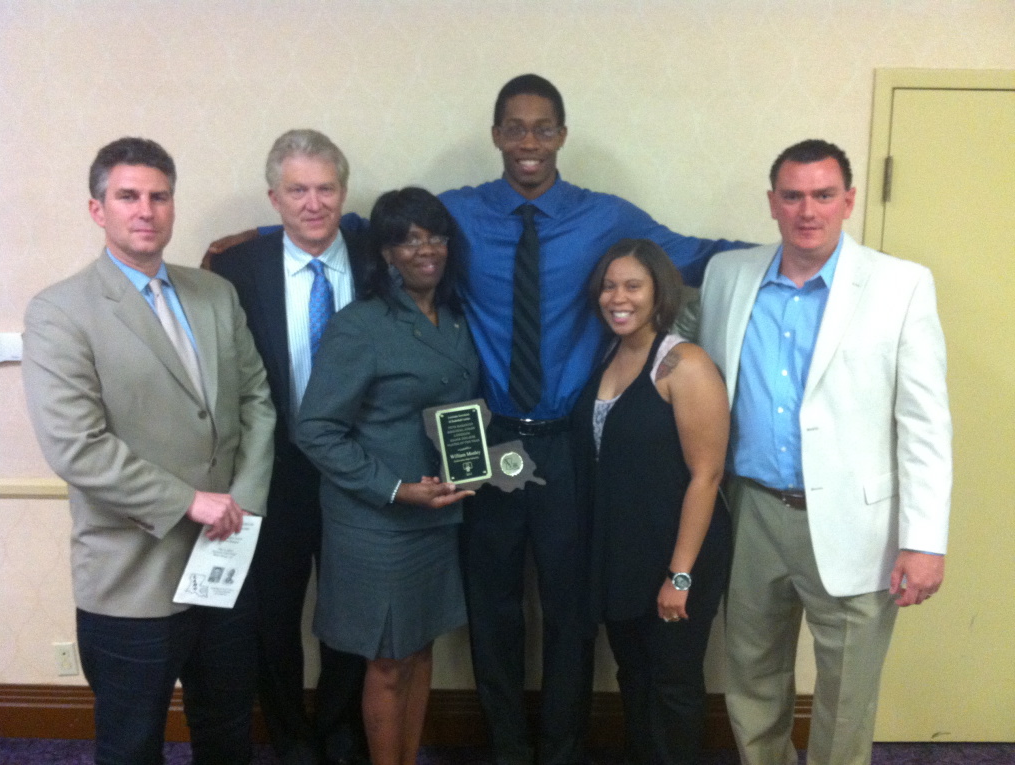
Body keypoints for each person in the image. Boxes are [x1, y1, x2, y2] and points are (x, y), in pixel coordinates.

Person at [204, 74, 749, 765]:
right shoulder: (457, 213)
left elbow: (695, 250)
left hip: (568, 450)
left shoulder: (605, 217)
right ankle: (510, 750)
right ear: (497, 136)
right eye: (514, 127)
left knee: (570, 616)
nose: (528, 141)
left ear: (561, 135)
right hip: (482, 448)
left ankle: (561, 749)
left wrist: (779, 252)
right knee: (492, 617)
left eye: (543, 127)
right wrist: (262, 231)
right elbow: (377, 226)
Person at [693, 139, 952, 765]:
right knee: (751, 677)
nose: (809, 210)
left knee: (846, 692)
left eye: (824, 195)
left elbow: (925, 423)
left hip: (858, 523)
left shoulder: (901, 285)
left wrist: (925, 540)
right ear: (773, 204)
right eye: (793, 196)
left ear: (849, 201)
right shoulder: (729, 276)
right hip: (751, 510)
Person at [22, 137, 275, 764]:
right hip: (132, 577)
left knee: (227, 734)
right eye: (127, 195)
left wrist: (239, 505)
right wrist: (191, 503)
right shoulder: (60, 311)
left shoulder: (215, 295)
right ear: (96, 209)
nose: (146, 210)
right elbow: (77, 447)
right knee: (132, 746)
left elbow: (257, 402)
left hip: (225, 565)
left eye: (159, 196)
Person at [296, 188, 480, 765]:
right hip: (377, 524)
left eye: (435, 236)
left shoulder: (454, 318)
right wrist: (395, 488)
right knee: (386, 660)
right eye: (408, 239)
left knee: (420, 649)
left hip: (437, 515)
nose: (426, 250)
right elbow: (316, 429)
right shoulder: (361, 326)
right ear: (386, 251)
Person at [209, 129, 368, 765]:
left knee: (351, 610)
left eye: (325, 188)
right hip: (274, 470)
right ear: (273, 197)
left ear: (343, 193)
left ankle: (339, 728)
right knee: (272, 615)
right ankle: (290, 737)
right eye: (297, 190)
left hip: (358, 468)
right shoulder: (235, 269)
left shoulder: (377, 260)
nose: (313, 203)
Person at [571, 240, 731, 765]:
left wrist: (679, 575)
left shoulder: (684, 364)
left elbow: (706, 476)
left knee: (673, 684)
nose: (618, 297)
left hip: (677, 553)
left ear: (659, 291)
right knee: (634, 678)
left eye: (632, 285)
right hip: (622, 552)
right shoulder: (609, 355)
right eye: (609, 286)